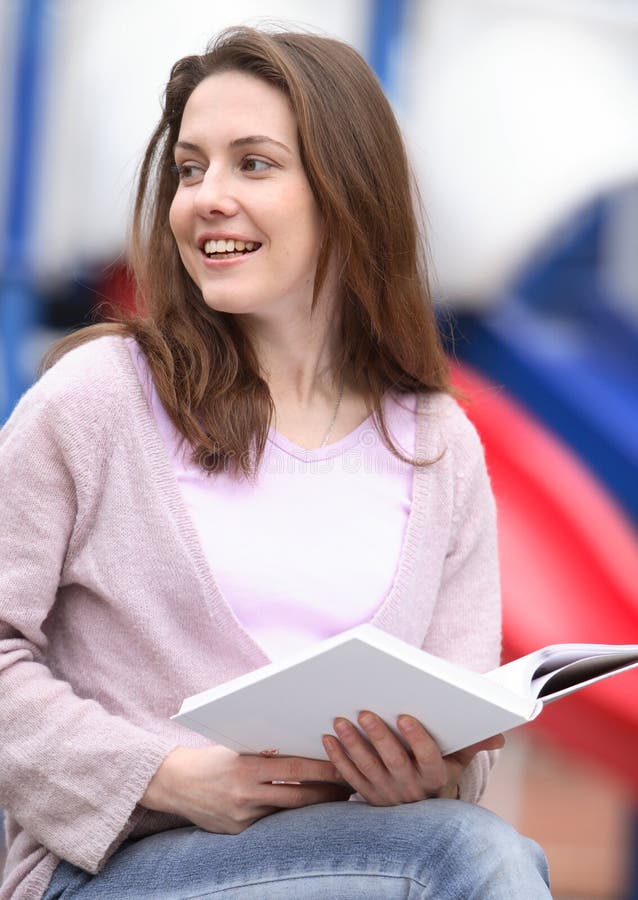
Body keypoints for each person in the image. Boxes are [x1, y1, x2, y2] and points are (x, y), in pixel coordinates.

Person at [0, 25, 551, 899]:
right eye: (190, 168)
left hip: (361, 859)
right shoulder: (97, 399)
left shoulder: (439, 442)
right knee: (476, 858)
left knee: (465, 843)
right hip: (116, 870)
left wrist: (425, 776)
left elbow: (463, 747)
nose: (206, 197)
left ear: (347, 193)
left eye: (252, 164)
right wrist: (162, 775)